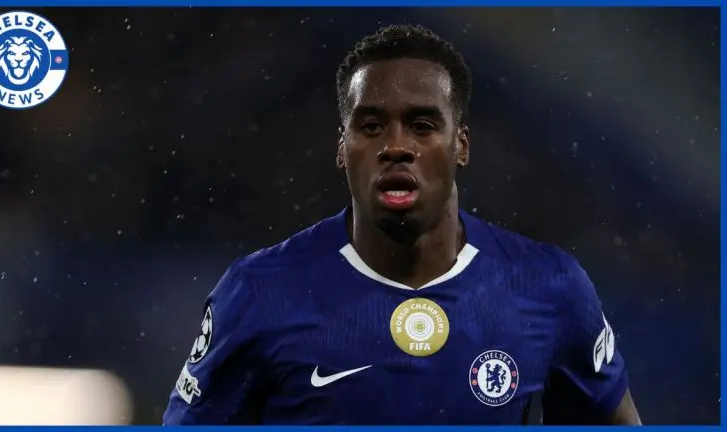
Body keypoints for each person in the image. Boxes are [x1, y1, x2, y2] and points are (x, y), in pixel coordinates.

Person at [162, 24, 642, 425]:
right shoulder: (258, 292)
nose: (395, 147)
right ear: (342, 147)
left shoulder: (549, 286)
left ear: (461, 145)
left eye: (422, 125)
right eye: (371, 127)